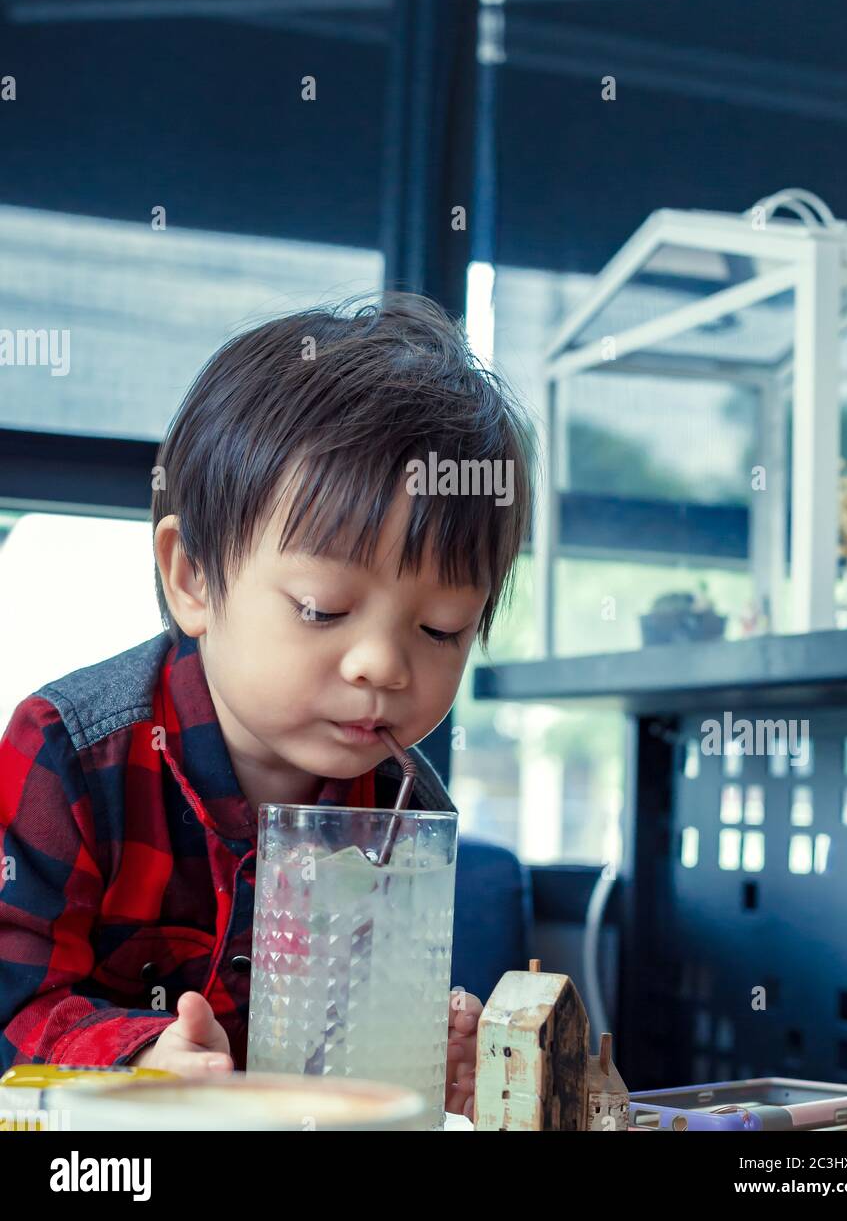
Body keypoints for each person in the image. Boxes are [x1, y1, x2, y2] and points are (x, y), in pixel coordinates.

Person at [0, 293, 533, 1120]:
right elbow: (6, 1011)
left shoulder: (406, 812)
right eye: (322, 608)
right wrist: (141, 1061)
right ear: (194, 578)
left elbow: (340, 1063)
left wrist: (433, 1054)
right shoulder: (69, 756)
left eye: (441, 627)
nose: (383, 665)